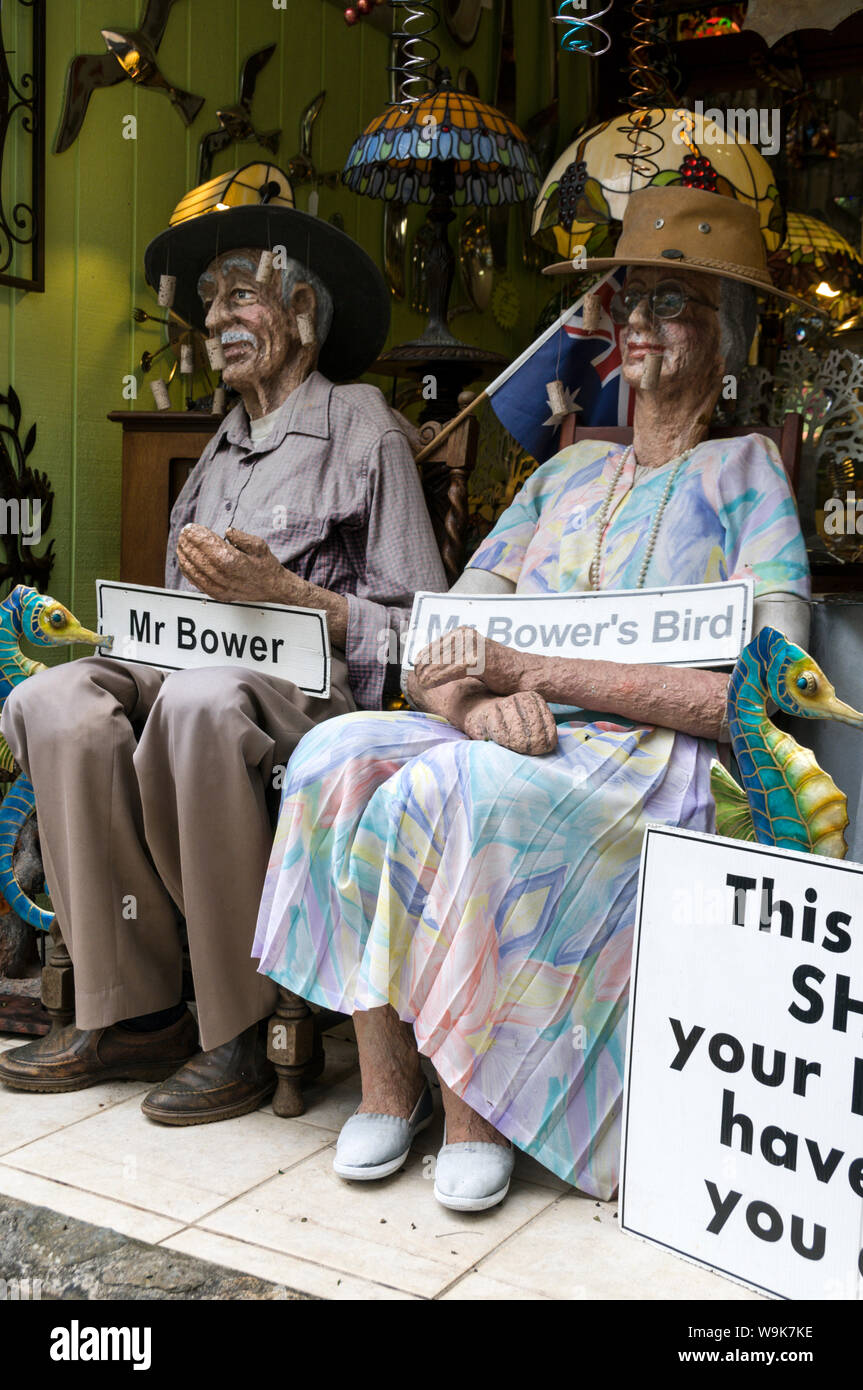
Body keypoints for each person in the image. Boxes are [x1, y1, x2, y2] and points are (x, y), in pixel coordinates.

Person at [251, 186, 812, 1210]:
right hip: (503, 721)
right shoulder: (561, 477)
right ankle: (390, 1082)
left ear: (726, 343)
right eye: (628, 299)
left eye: (671, 304)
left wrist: (534, 677)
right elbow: (436, 646)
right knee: (337, 756)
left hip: (649, 755)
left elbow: (773, 691)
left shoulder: (746, 475)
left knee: (468, 785)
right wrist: (472, 704)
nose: (634, 321)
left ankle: (480, 1100)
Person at [0, 192, 446, 1124]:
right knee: (60, 701)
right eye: (207, 302)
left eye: (238, 294)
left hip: (306, 700)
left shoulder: (363, 427)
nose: (211, 320)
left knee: (199, 704)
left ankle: (236, 1029)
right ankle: (134, 1007)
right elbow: (173, 624)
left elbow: (421, 638)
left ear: (302, 313)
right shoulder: (217, 450)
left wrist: (296, 600)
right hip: (196, 676)